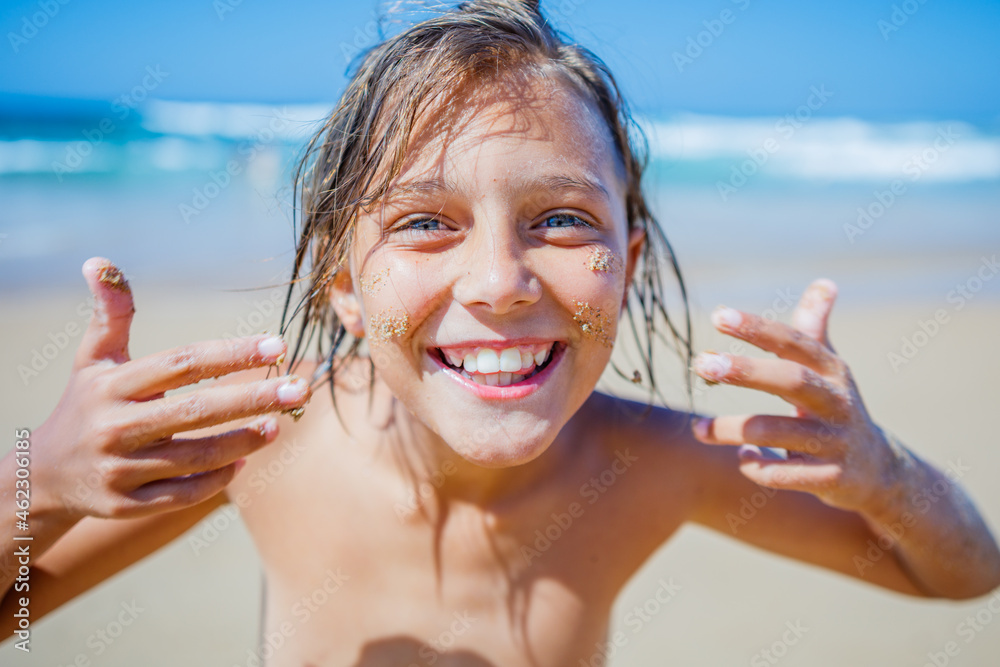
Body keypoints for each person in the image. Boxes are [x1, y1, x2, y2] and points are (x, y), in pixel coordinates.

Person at [2, 1, 998, 664]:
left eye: (561, 219)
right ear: (344, 283)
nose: (497, 282)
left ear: (632, 262)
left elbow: (958, 572)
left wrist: (882, 474)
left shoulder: (652, 459)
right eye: (424, 221)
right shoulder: (260, 443)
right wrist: (34, 483)